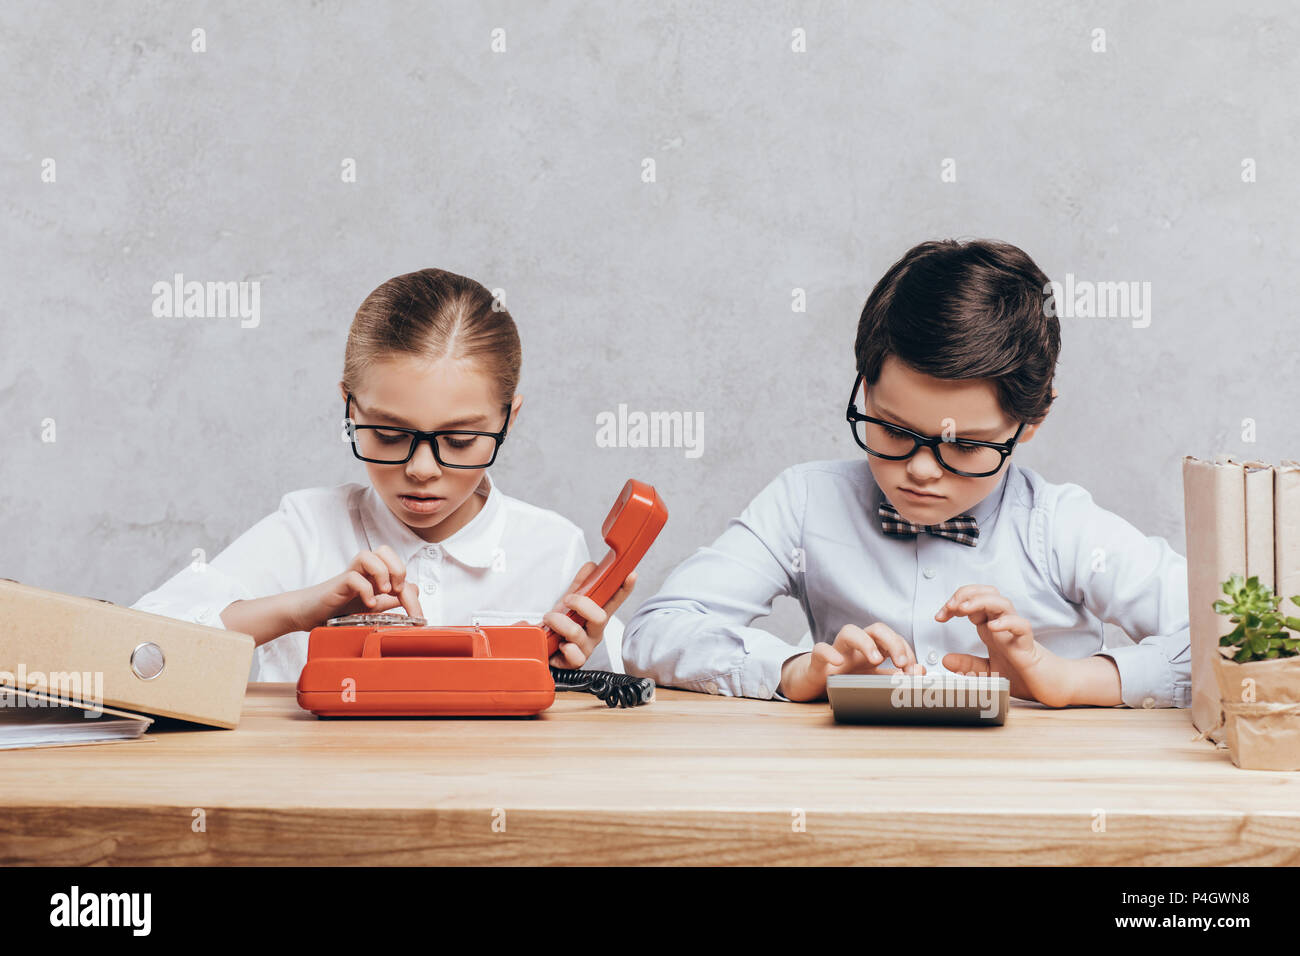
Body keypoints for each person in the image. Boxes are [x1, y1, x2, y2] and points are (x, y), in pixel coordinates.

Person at [623, 238, 1190, 708]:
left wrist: (1065, 680)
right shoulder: (805, 503)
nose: (920, 471)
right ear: (865, 389)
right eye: (892, 429)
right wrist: (794, 670)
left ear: (1031, 421)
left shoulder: (1063, 528)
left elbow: (1239, 643)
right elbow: (657, 630)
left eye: (964, 445)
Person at [133, 268, 635, 683]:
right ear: (350, 408)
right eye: (389, 435)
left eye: (459, 441)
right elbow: (139, 645)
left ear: (508, 419)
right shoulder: (307, 527)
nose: (421, 470)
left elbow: (617, 717)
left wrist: (572, 670)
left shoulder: (551, 548)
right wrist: (302, 611)